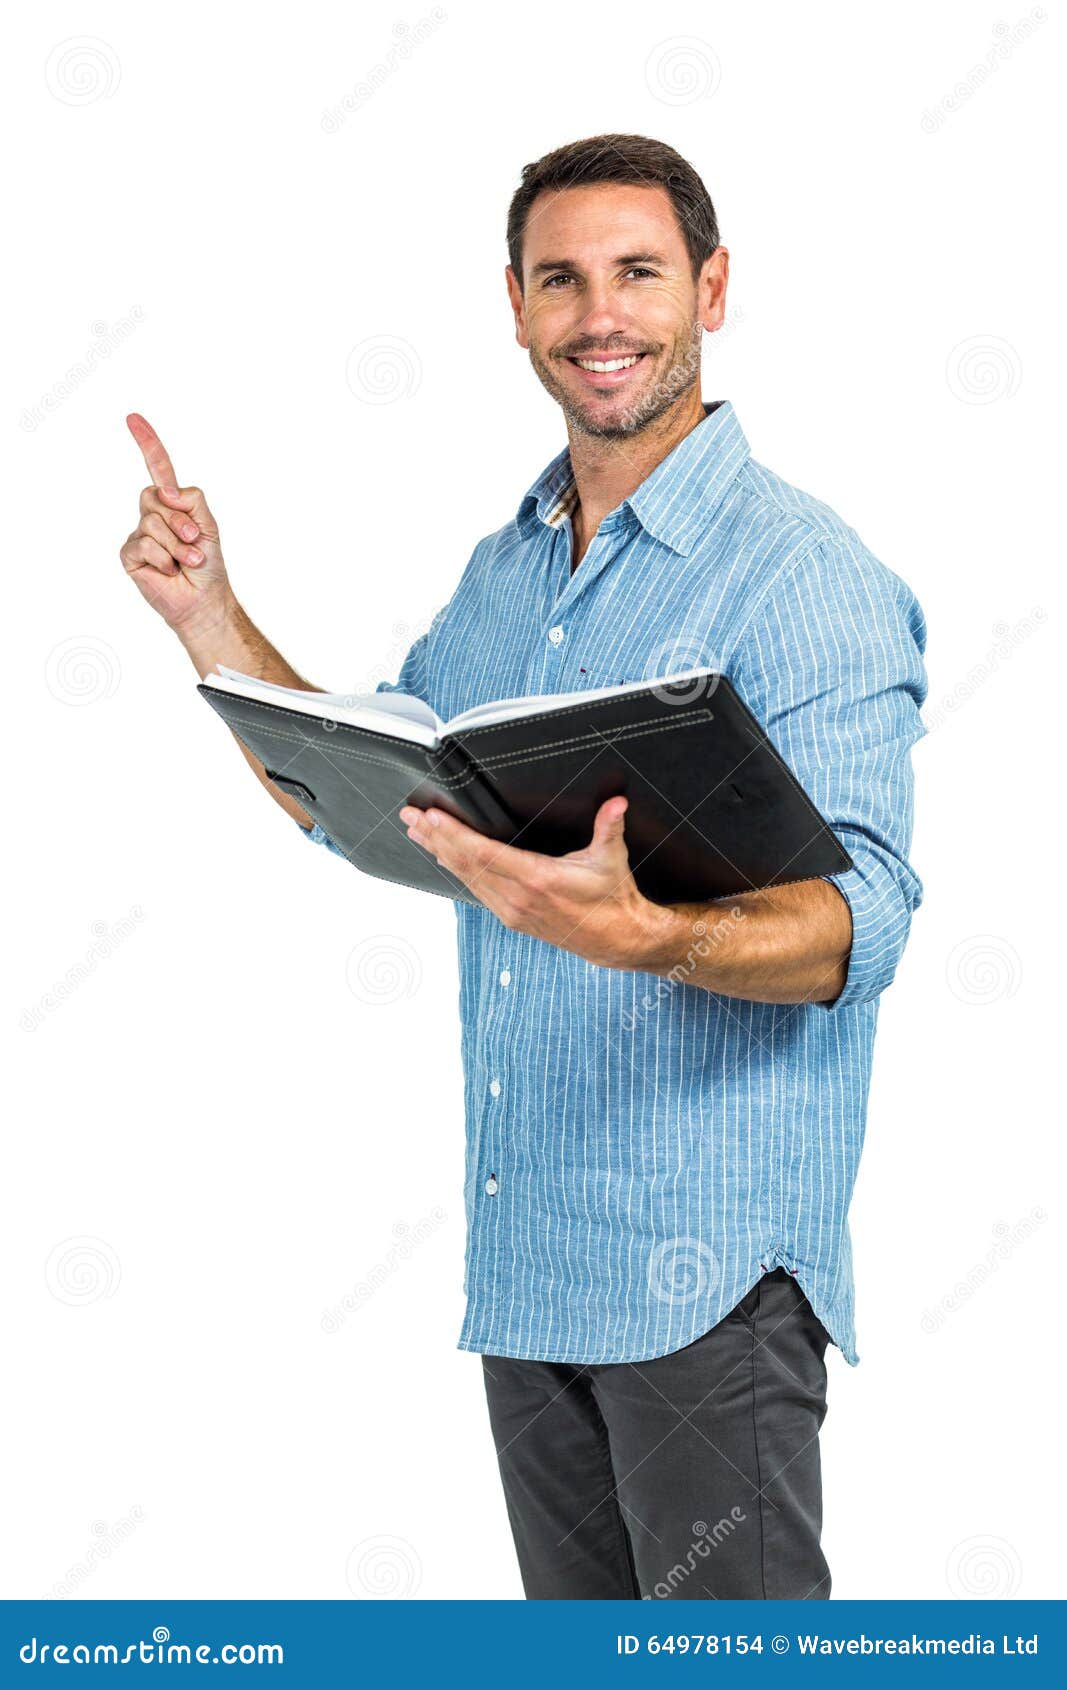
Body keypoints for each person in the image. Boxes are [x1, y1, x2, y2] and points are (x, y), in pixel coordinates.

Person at [119, 133, 927, 1601]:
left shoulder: (805, 573)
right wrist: (209, 617)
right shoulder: (509, 572)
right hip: (532, 1267)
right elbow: (372, 792)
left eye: (638, 272)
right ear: (514, 306)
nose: (598, 313)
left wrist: (652, 936)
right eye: (561, 279)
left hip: (707, 1281)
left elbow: (863, 923)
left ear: (714, 289)